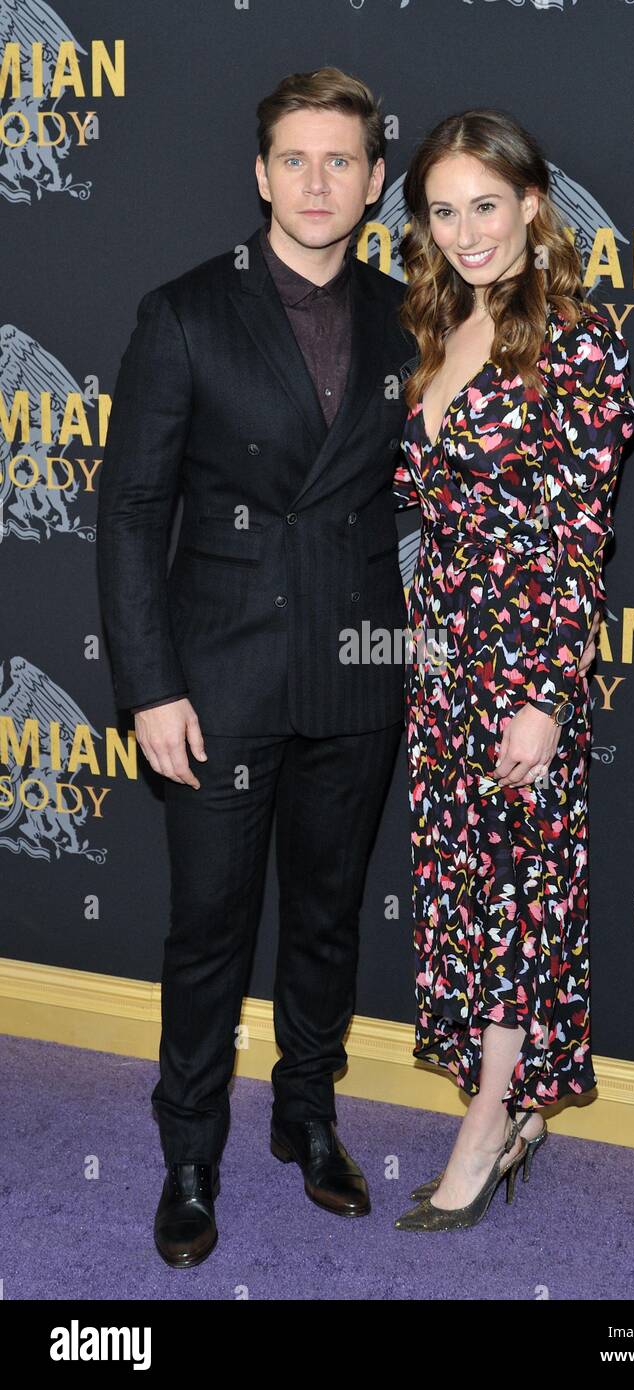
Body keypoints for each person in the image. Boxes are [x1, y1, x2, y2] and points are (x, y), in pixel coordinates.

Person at [96, 67, 418, 1267]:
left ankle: (307, 1115)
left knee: (327, 920)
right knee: (209, 931)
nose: (318, 181)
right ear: (259, 173)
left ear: (375, 179)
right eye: (296, 158)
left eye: (342, 160)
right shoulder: (184, 311)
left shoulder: (410, 315)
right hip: (216, 677)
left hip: (355, 670)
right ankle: (190, 1153)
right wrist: (149, 684)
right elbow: (131, 512)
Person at [390, 109, 634, 1231]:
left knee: (507, 900)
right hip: (442, 664)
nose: (464, 230)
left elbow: (578, 535)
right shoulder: (441, 325)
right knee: (469, 895)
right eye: (442, 211)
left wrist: (543, 694)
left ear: (531, 204)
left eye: (483, 205)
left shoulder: (577, 343)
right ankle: (511, 1105)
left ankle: (485, 1130)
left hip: (520, 670)